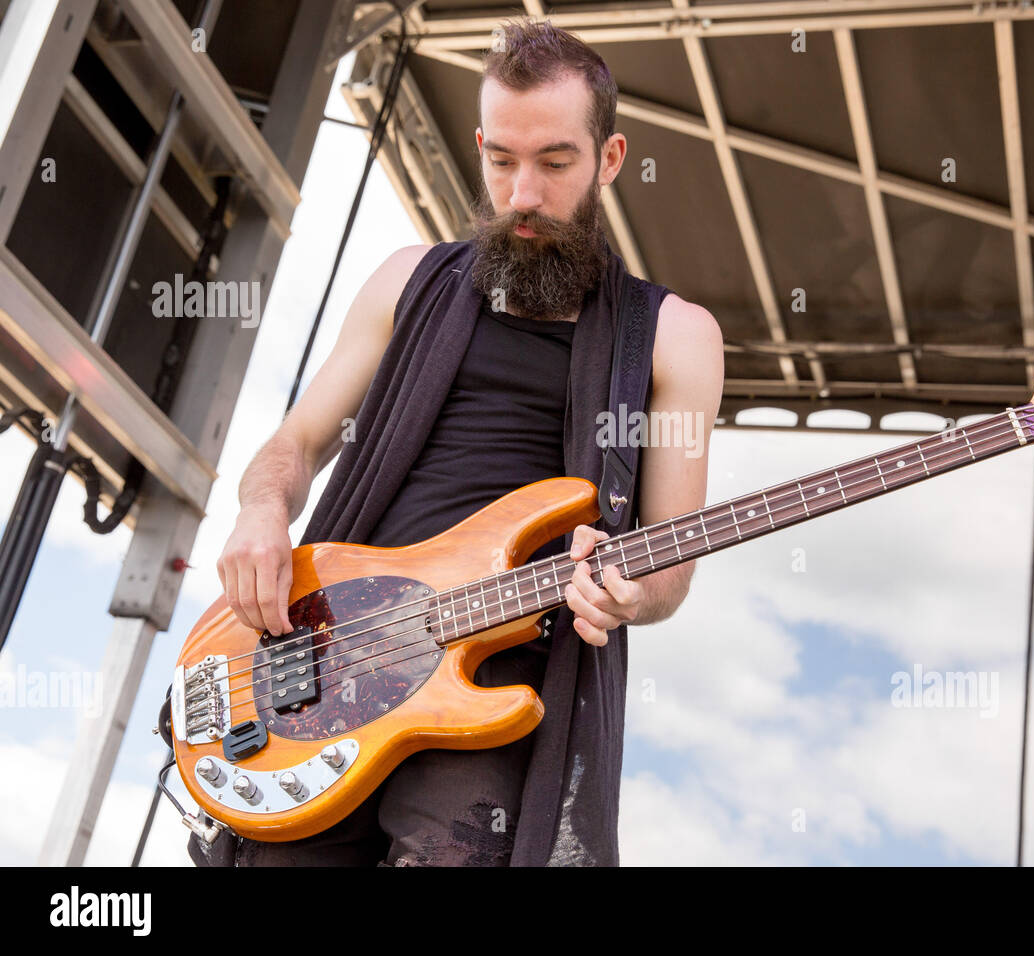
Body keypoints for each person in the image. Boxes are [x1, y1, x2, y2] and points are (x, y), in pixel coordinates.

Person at [191, 18, 724, 866]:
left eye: (555, 163)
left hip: (495, 691)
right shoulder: (405, 279)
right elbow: (295, 443)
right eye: (502, 161)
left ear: (610, 159)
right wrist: (261, 510)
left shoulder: (676, 338)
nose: (522, 194)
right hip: (323, 671)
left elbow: (667, 564)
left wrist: (630, 593)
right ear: (478, 146)